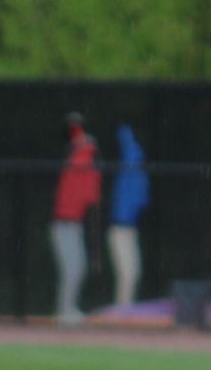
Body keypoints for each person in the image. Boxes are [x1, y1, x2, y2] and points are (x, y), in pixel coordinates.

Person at [50, 112, 101, 324]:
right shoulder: (76, 161)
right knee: (72, 271)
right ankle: (64, 312)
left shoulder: (85, 166)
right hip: (63, 225)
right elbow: (78, 145)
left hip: (74, 226)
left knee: (78, 270)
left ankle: (68, 309)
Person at [106, 124, 149, 308]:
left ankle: (125, 308)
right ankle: (122, 310)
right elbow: (128, 145)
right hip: (119, 229)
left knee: (133, 273)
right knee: (128, 274)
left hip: (129, 230)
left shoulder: (138, 176)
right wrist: (126, 134)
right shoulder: (127, 174)